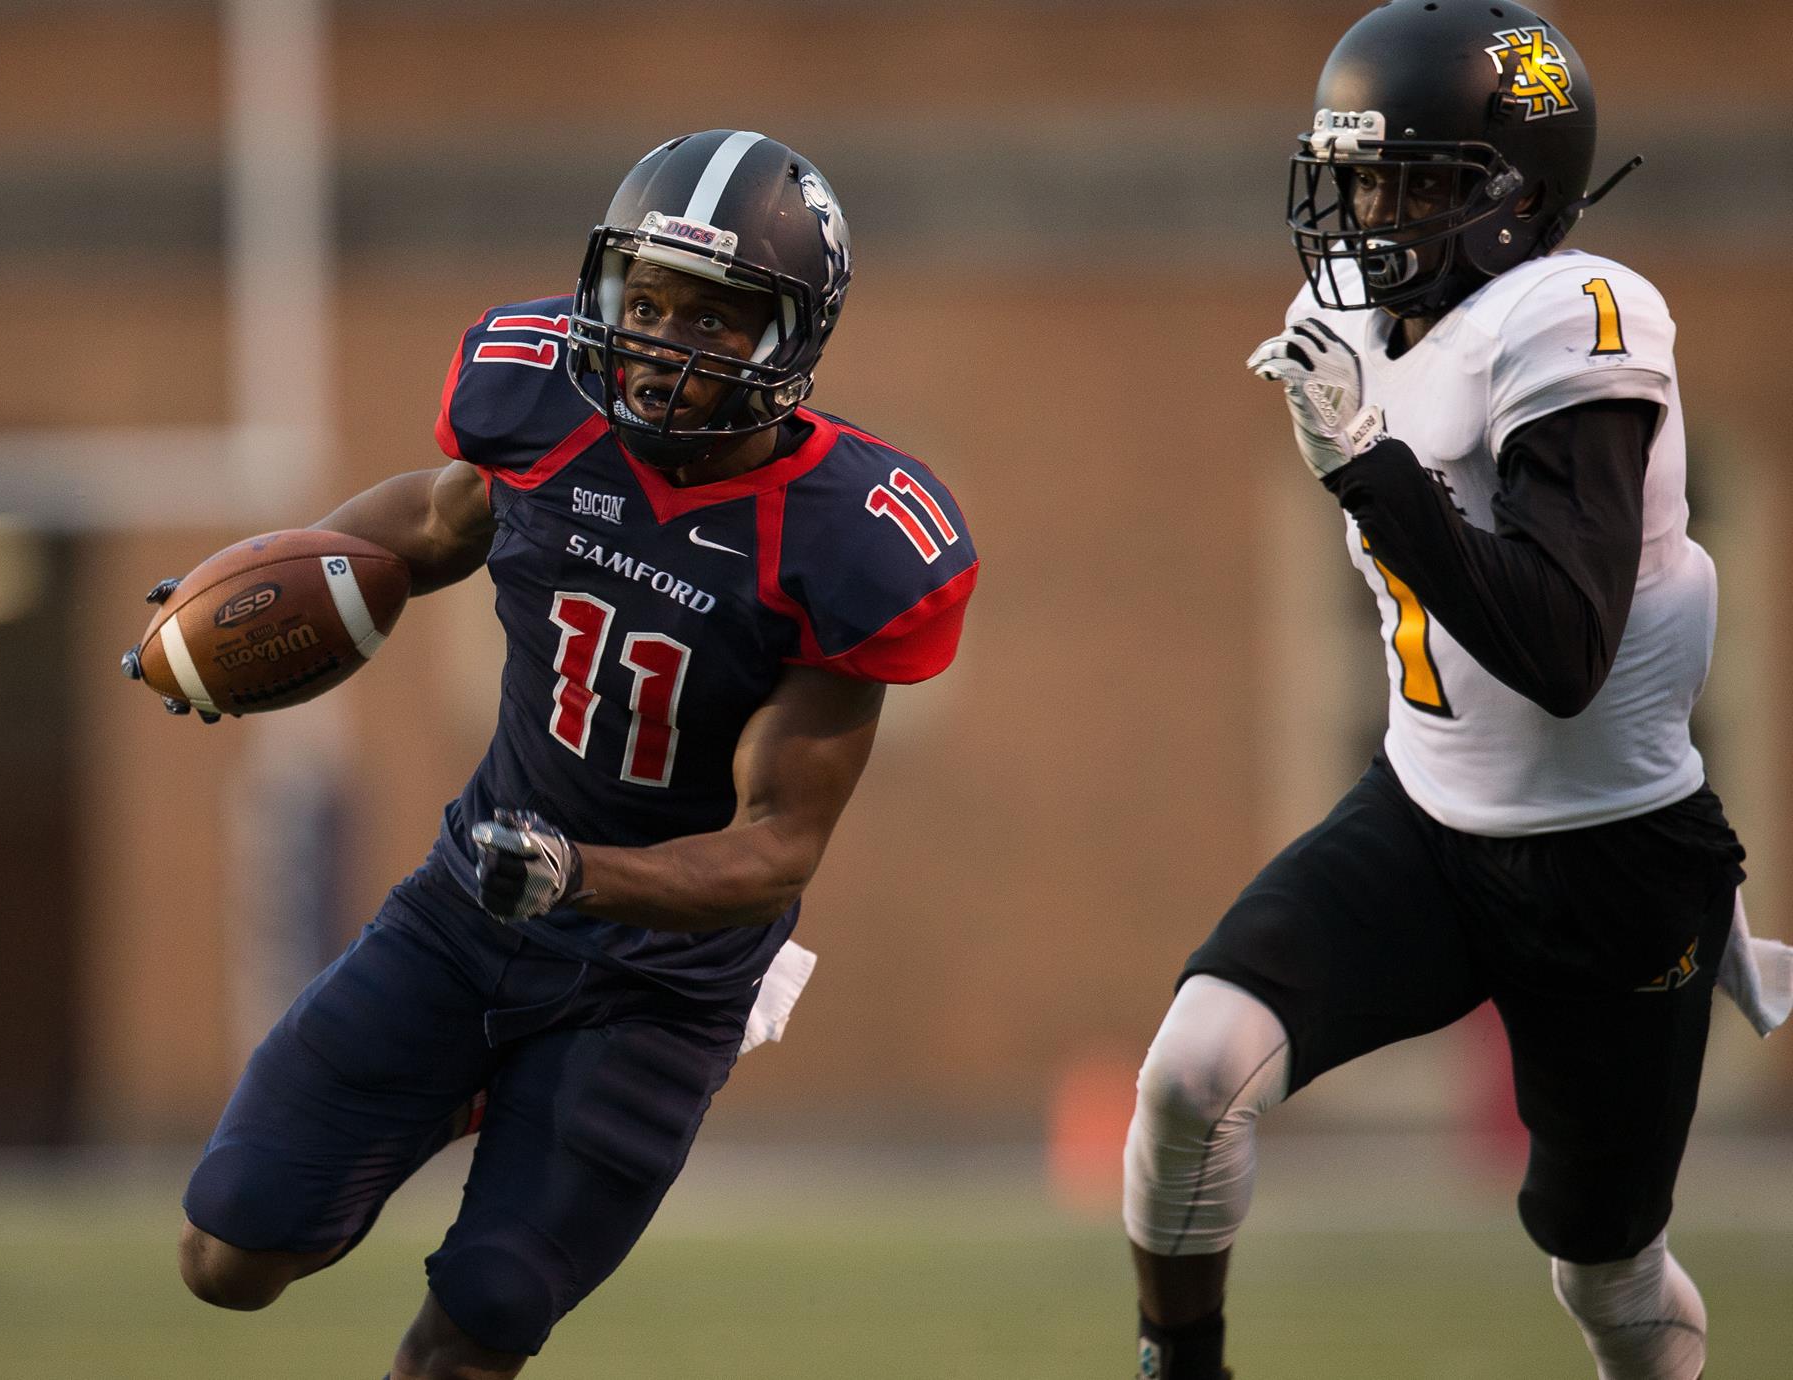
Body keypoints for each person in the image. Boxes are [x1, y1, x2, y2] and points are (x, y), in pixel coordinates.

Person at [162, 129, 978, 1379]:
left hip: (661, 982)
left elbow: (775, 848)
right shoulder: (540, 406)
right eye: (643, 302)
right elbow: (437, 522)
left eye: (709, 322)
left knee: (479, 1322)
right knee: (228, 1255)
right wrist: (262, 592)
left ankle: (515, 1079)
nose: (659, 347)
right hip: (469, 910)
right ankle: (470, 1083)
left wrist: (574, 873)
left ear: (787, 339)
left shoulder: (850, 544)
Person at [1120, 6, 1769, 1378]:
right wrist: (1369, 456)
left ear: (1515, 196)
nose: (1369, 216)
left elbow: (1560, 649)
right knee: (1192, 1073)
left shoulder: (1581, 314)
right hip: (1426, 816)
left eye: (1410, 182)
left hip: (1614, 859)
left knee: (1607, 1276)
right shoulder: (1347, 314)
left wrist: (1368, 464)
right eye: (1358, 179)